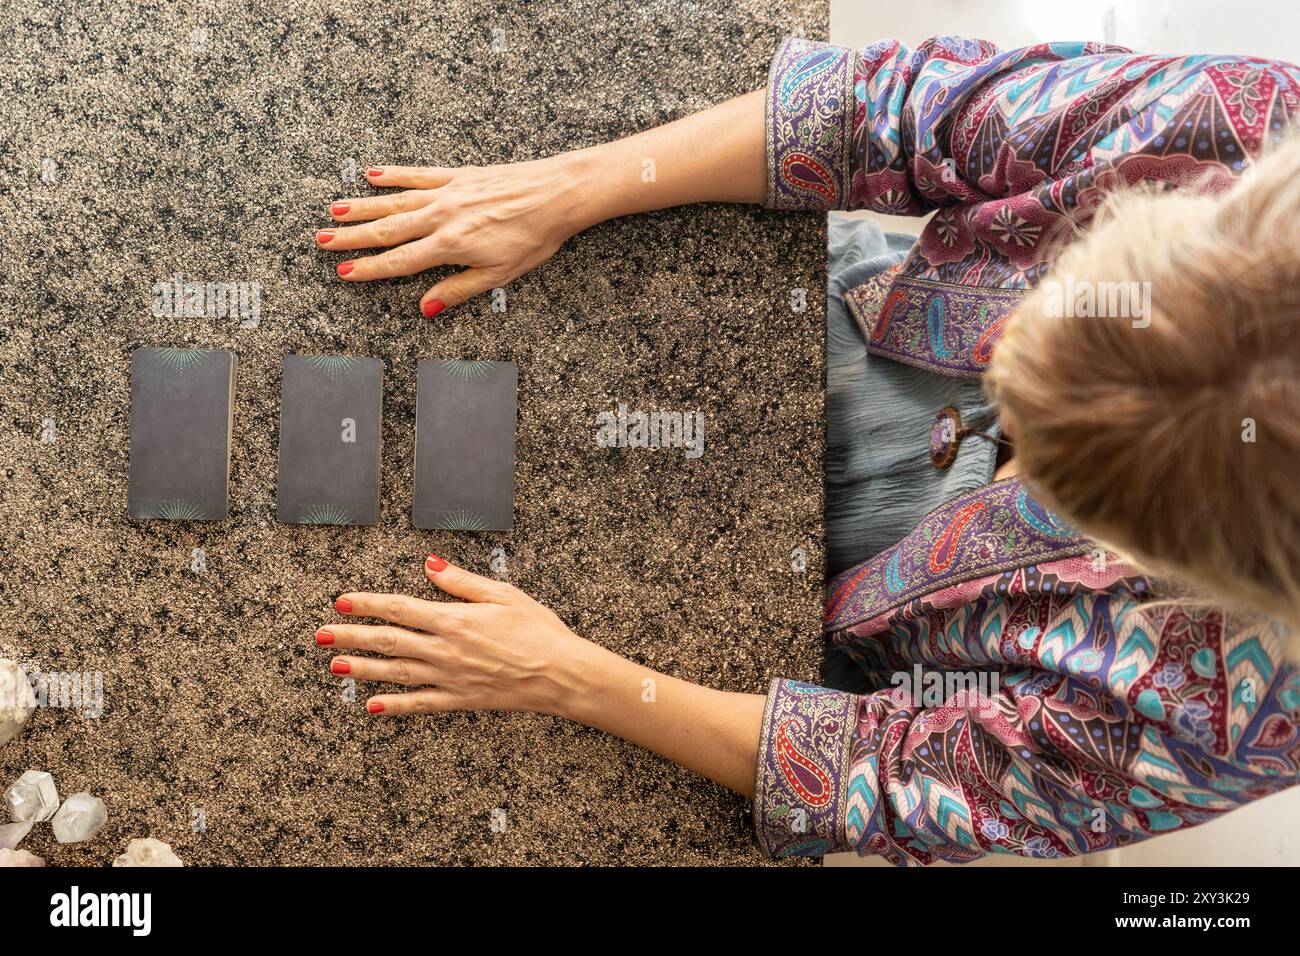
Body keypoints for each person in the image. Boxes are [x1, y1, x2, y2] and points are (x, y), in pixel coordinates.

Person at [312, 35, 1300, 863]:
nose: (997, 392)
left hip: (780, 617)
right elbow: (883, 113)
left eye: (1049, 461)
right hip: (803, 320)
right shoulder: (1254, 127)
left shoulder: (1242, 709)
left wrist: (567, 677)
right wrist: (568, 187)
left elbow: (893, 778)